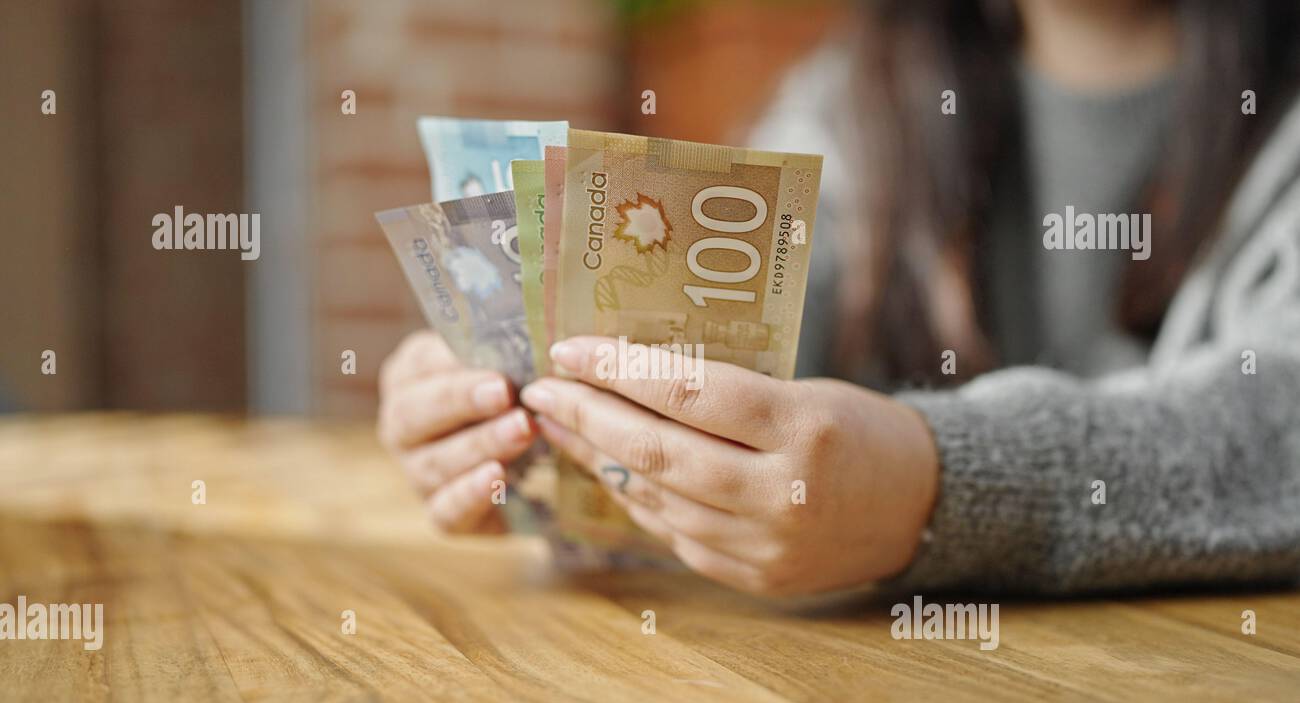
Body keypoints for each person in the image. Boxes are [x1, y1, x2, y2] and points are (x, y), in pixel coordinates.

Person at [378, 0, 1300, 596]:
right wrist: (537, 425)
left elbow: (1278, 418)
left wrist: (938, 482)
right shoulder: (851, 98)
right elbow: (754, 352)